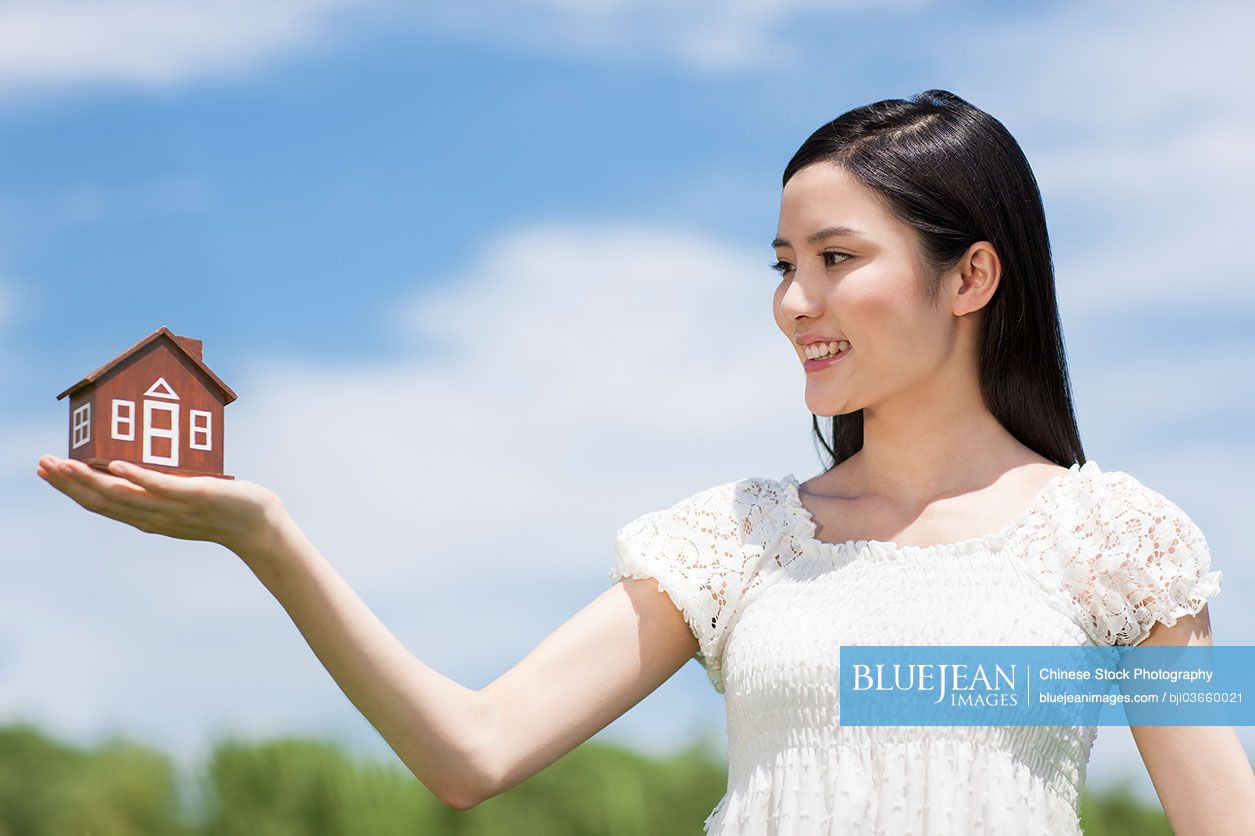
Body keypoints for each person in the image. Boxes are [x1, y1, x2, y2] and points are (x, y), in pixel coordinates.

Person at [36, 89, 1255, 835]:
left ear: (971, 275)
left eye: (836, 258)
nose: (793, 301)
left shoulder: (1123, 541)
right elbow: (470, 751)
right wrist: (268, 538)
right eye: (782, 264)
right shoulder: (738, 537)